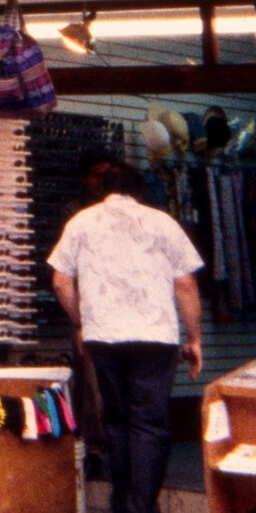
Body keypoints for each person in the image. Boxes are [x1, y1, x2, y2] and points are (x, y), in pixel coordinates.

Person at [48, 159, 203, 513]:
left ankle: (122, 502)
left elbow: (60, 281)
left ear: (102, 189)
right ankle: (142, 506)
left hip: (103, 335)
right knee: (149, 423)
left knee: (117, 421)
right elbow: (186, 284)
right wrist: (194, 338)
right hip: (154, 336)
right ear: (139, 189)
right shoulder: (162, 222)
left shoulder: (81, 222)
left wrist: (82, 323)